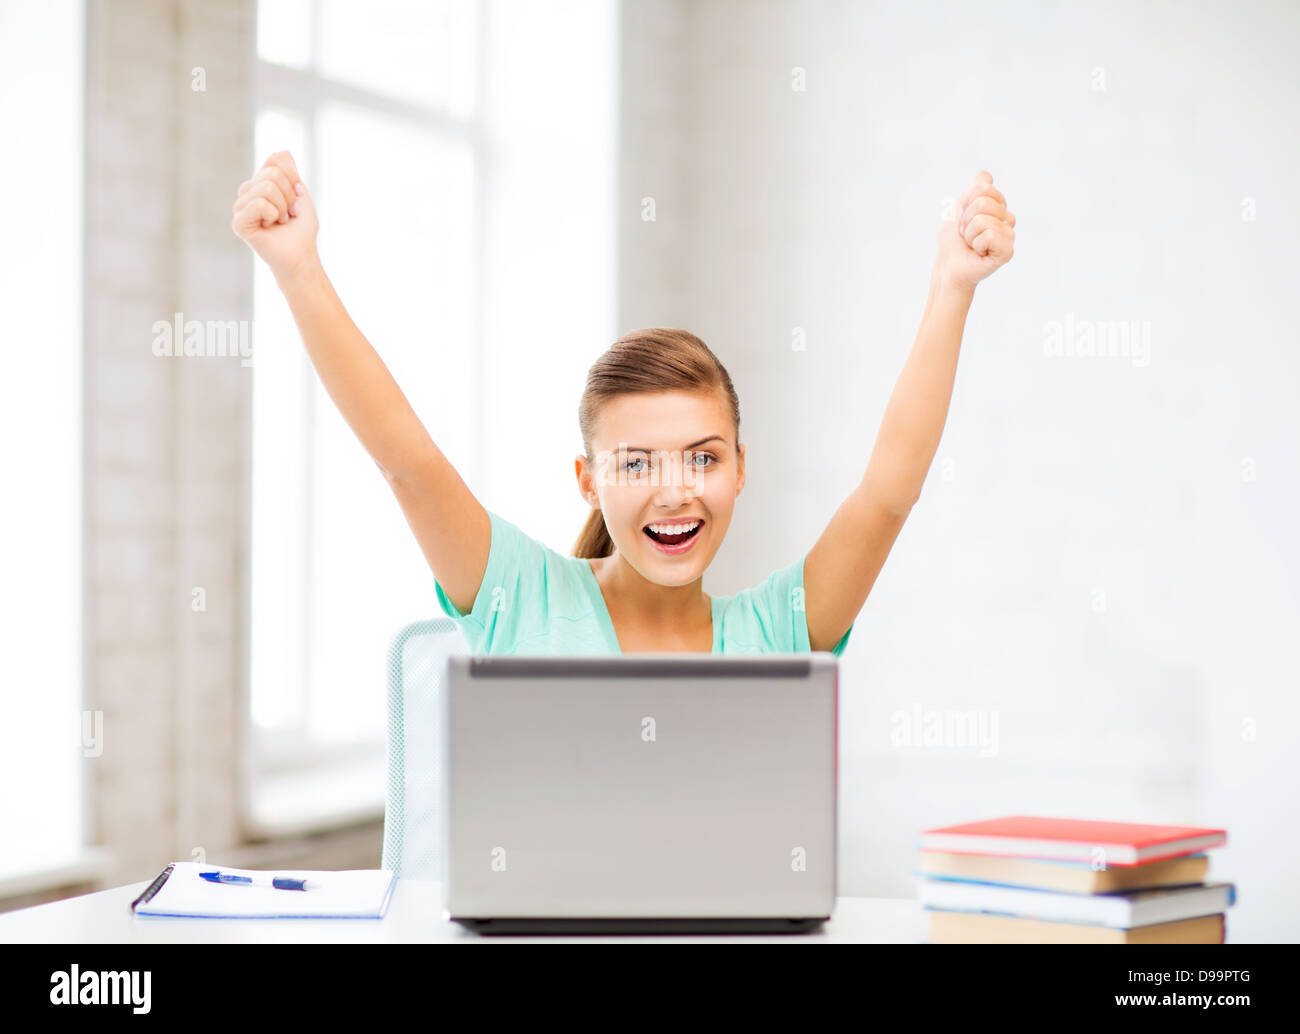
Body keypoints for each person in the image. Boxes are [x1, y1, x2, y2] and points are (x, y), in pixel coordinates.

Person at [231, 154, 1015, 655]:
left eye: (703, 457)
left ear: (741, 470)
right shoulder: (519, 599)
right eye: (636, 461)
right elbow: (405, 459)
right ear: (588, 479)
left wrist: (951, 289)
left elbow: (887, 495)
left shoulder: (779, 634)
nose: (674, 488)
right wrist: (298, 270)